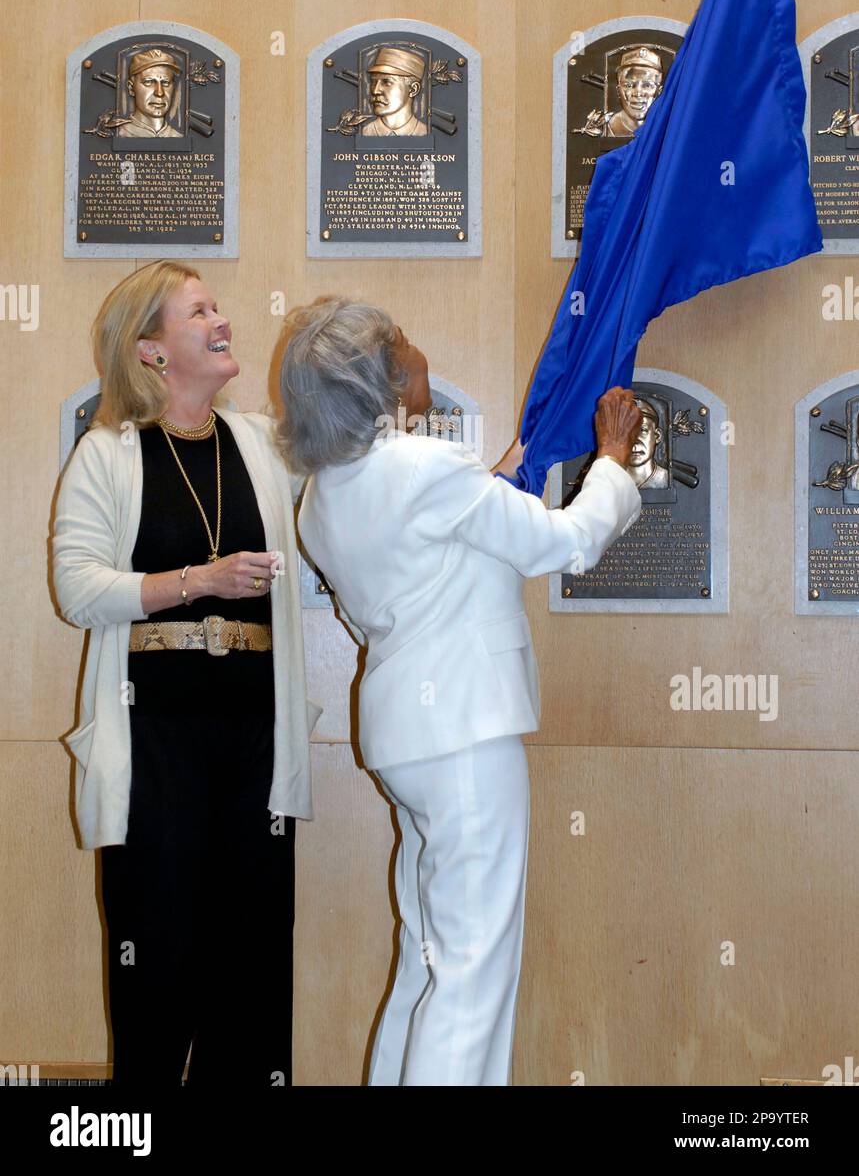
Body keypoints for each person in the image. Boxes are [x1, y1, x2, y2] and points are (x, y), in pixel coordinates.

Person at [274, 295, 643, 1086]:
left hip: (409, 742)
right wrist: (611, 461)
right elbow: (564, 544)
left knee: (428, 959)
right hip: (464, 735)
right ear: (379, 376)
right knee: (471, 969)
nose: (417, 351)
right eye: (402, 341)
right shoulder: (424, 468)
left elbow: (441, 554)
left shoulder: (322, 498)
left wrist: (500, 477)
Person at [51, 260, 320, 1087]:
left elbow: (354, 488)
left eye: (217, 307)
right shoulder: (106, 454)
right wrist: (197, 582)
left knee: (252, 971)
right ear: (151, 349)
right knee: (156, 968)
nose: (221, 320)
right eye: (199, 311)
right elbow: (76, 590)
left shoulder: (263, 445)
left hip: (254, 741)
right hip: (154, 742)